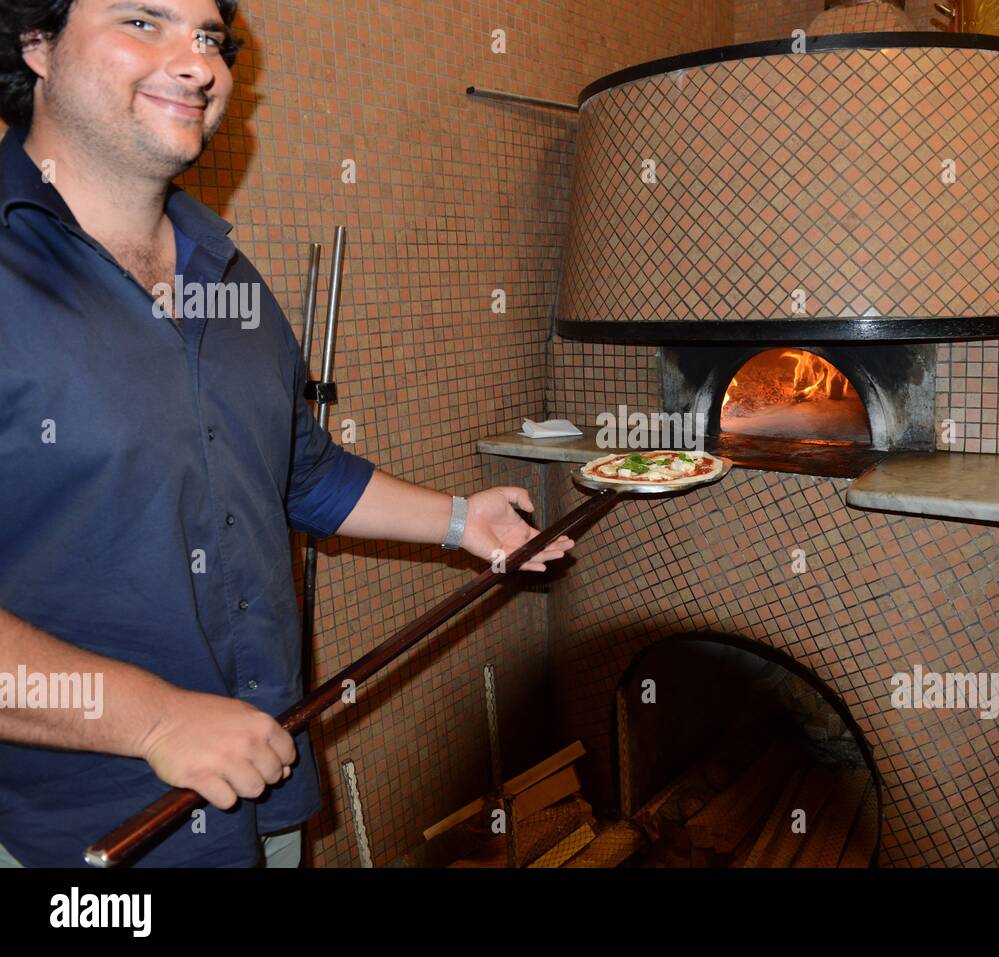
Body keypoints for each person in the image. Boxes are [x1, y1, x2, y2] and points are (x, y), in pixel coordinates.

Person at [0, 0, 574, 867]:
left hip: (262, 800)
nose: (197, 64)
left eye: (208, 38)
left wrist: (462, 522)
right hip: (78, 840)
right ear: (37, 45)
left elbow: (300, 474)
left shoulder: (225, 273)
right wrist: (153, 717)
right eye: (143, 22)